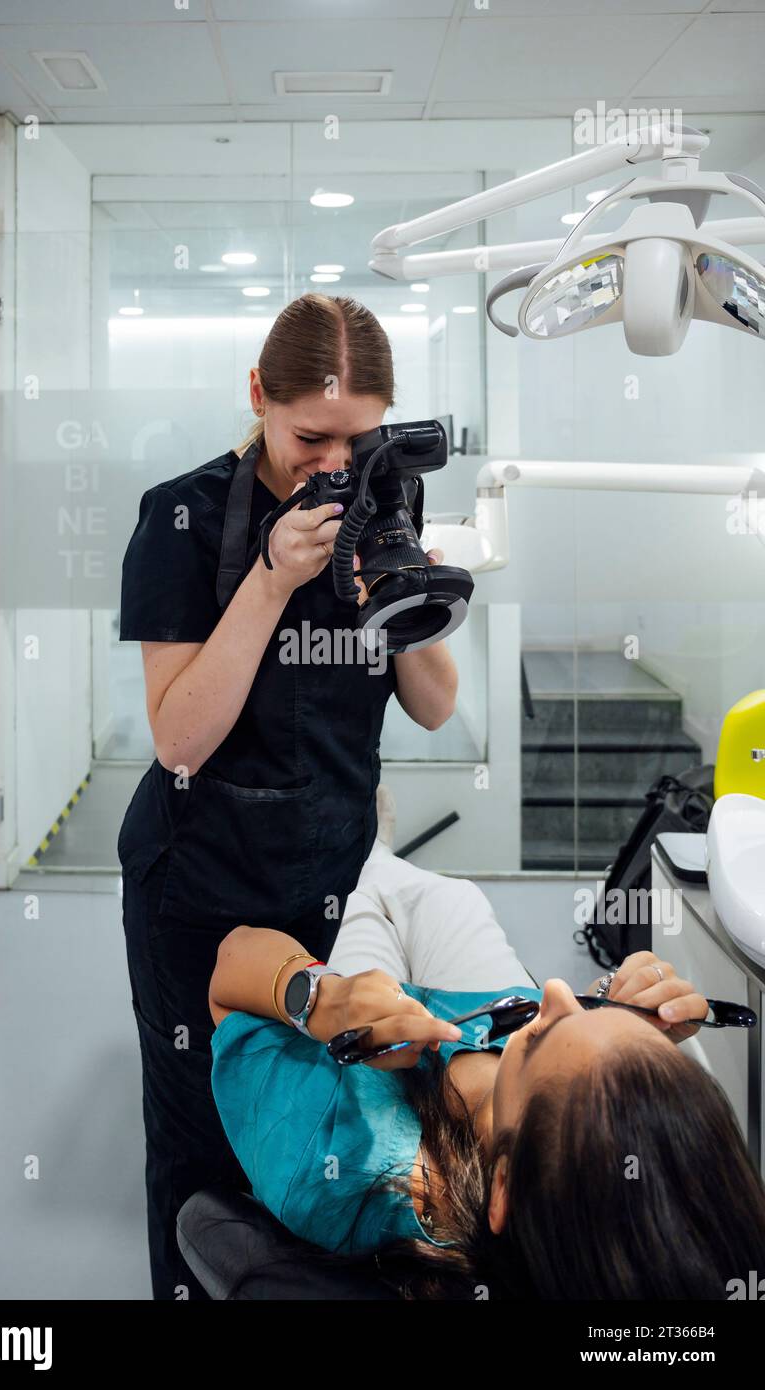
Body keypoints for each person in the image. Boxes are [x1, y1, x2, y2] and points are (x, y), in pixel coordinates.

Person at [118, 293, 458, 1300]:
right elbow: (179, 737)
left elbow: (435, 708)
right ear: (258, 396)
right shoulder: (180, 517)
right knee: (205, 1139)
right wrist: (267, 586)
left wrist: (414, 601)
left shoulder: (385, 498)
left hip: (334, 874)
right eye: (311, 438)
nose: (334, 466)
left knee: (326, 1128)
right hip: (199, 879)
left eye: (359, 440)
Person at [207, 829, 765, 1300]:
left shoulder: (342, 1161)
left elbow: (230, 974)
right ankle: (377, 840)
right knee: (452, 898)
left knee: (357, 890)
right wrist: (616, 1036)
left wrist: (322, 998)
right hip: (484, 1015)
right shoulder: (558, 1174)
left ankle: (368, 841)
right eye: (594, 1005)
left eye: (552, 1032)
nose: (556, 989)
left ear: (501, 1187)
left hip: (385, 1037)